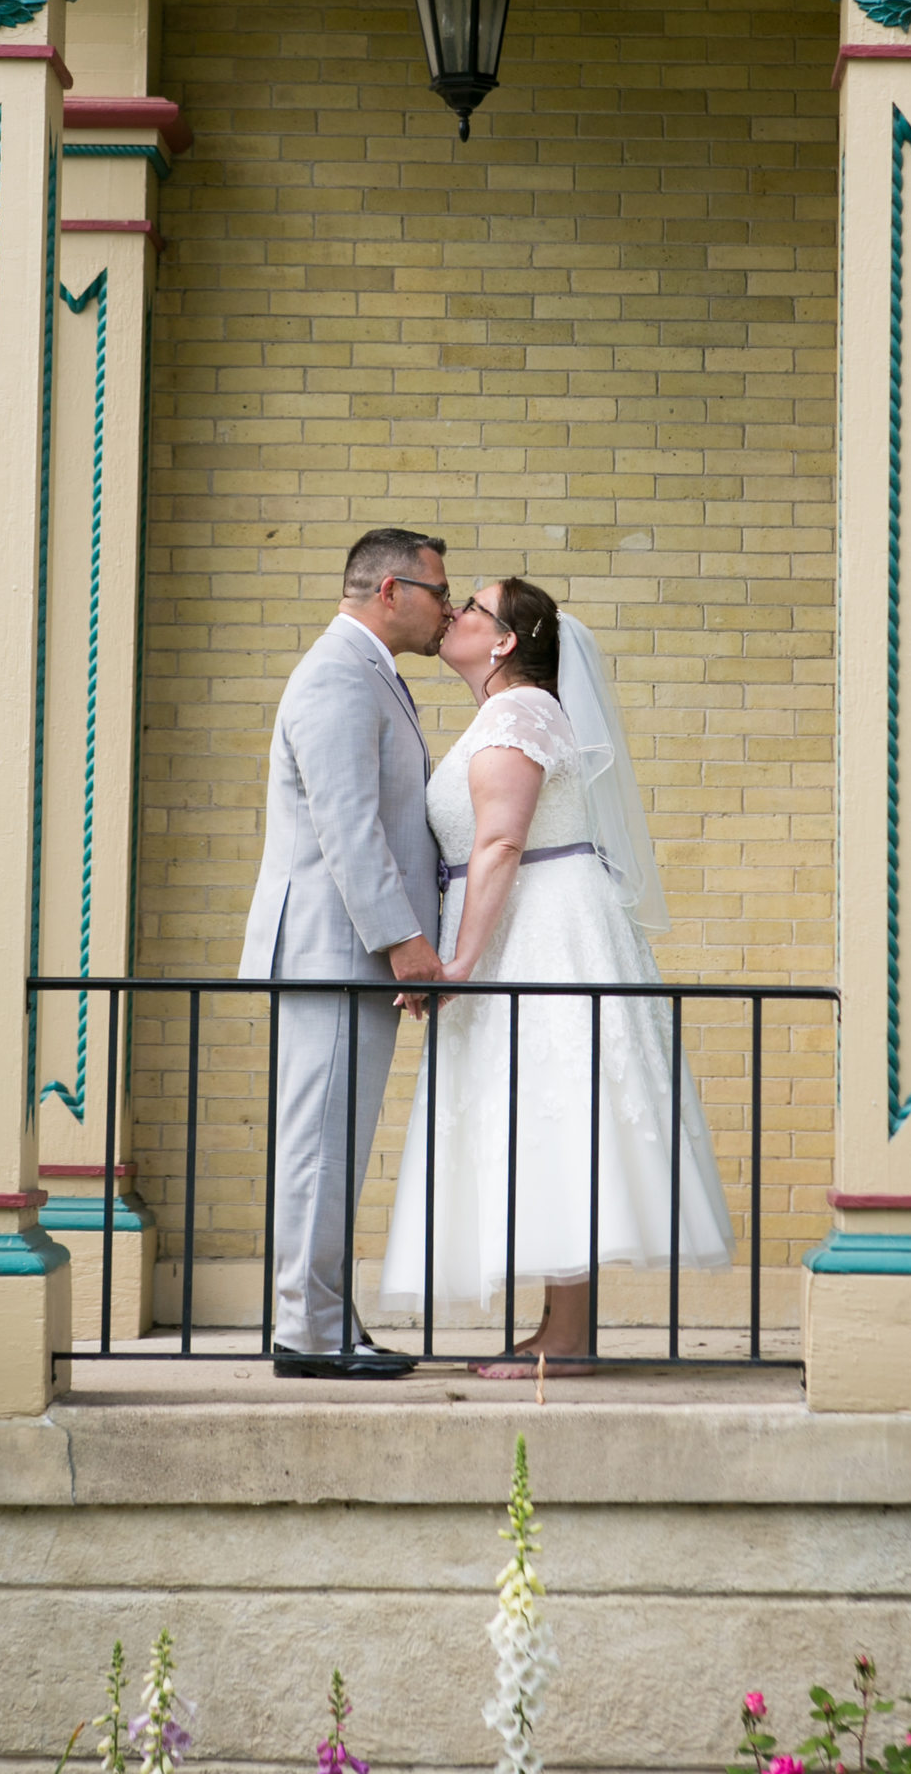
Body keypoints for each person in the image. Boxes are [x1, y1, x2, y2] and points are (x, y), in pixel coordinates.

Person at [377, 578, 733, 1374]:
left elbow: (500, 841)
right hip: (521, 922)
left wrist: (459, 963)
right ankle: (558, 1329)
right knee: (539, 1114)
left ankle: (567, 1339)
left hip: (539, 932)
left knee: (557, 1110)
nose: (454, 614)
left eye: (471, 606)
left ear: (503, 640)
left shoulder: (520, 711)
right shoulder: (508, 713)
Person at [239, 527, 450, 1377]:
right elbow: (346, 826)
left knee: (334, 1143)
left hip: (349, 951)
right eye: (439, 590)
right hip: (334, 950)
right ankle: (308, 1333)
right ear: (391, 591)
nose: (447, 606)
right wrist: (403, 941)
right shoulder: (335, 672)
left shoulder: (369, 674)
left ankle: (324, 1316)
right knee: (319, 1143)